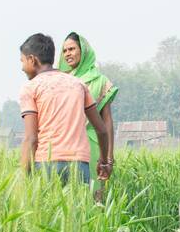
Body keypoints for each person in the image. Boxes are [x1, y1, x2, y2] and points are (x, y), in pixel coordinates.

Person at [18, 32, 113, 184]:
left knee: (48, 208)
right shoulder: (78, 84)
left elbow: (31, 139)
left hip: (46, 164)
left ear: (32, 60)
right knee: (80, 208)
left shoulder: (30, 88)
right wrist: (104, 161)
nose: (22, 68)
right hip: (80, 165)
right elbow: (101, 130)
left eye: (22, 61)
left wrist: (22, 179)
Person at [58, 32, 118, 198]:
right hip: (65, 145)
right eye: (64, 51)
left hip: (94, 146)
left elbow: (107, 121)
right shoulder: (61, 81)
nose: (68, 54)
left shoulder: (100, 81)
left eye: (72, 49)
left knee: (94, 197)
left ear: (83, 51)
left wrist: (108, 157)